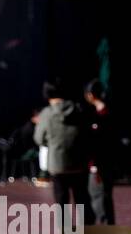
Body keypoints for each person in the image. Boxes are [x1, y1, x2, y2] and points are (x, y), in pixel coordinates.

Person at [33, 80, 90, 221]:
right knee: (82, 200)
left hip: (58, 164)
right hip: (79, 162)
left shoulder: (46, 114)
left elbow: (39, 138)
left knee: (62, 202)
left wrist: (52, 143)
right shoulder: (78, 109)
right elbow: (86, 134)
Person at [84, 79, 117, 224]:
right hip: (105, 162)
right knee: (103, 195)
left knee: (99, 196)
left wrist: (95, 164)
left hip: (100, 163)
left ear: (91, 95)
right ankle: (108, 226)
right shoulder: (105, 112)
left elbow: (99, 143)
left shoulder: (102, 115)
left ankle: (106, 228)